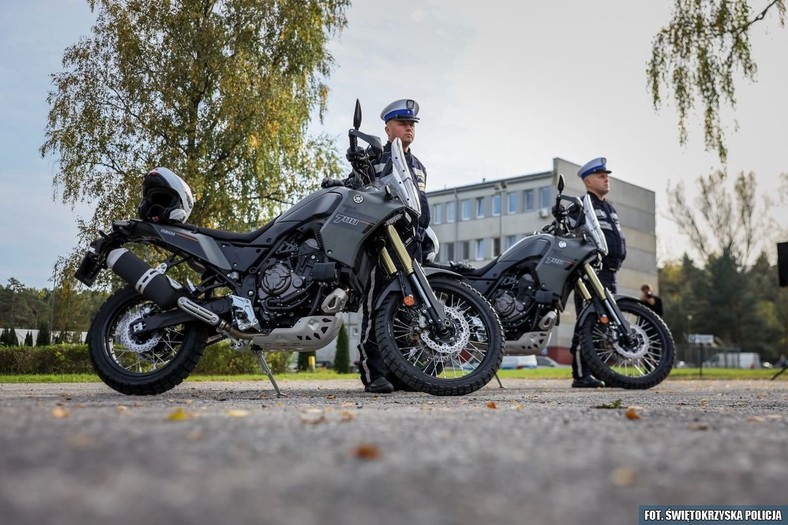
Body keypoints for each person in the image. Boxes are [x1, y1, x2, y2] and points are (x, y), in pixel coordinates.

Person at [357, 98, 430, 393]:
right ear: (388, 129)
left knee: (408, 311)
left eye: (411, 124)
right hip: (382, 244)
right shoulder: (371, 158)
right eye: (402, 123)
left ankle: (402, 373)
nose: (408, 128)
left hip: (412, 245)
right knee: (377, 306)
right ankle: (374, 374)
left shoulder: (418, 165)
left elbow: (421, 205)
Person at [569, 157, 627, 388]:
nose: (606, 178)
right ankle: (581, 375)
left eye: (607, 175)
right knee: (588, 322)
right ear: (588, 180)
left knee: (606, 325)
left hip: (610, 273)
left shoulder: (608, 207)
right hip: (591, 273)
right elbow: (573, 234)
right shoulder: (582, 205)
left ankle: (601, 372)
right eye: (601, 175)